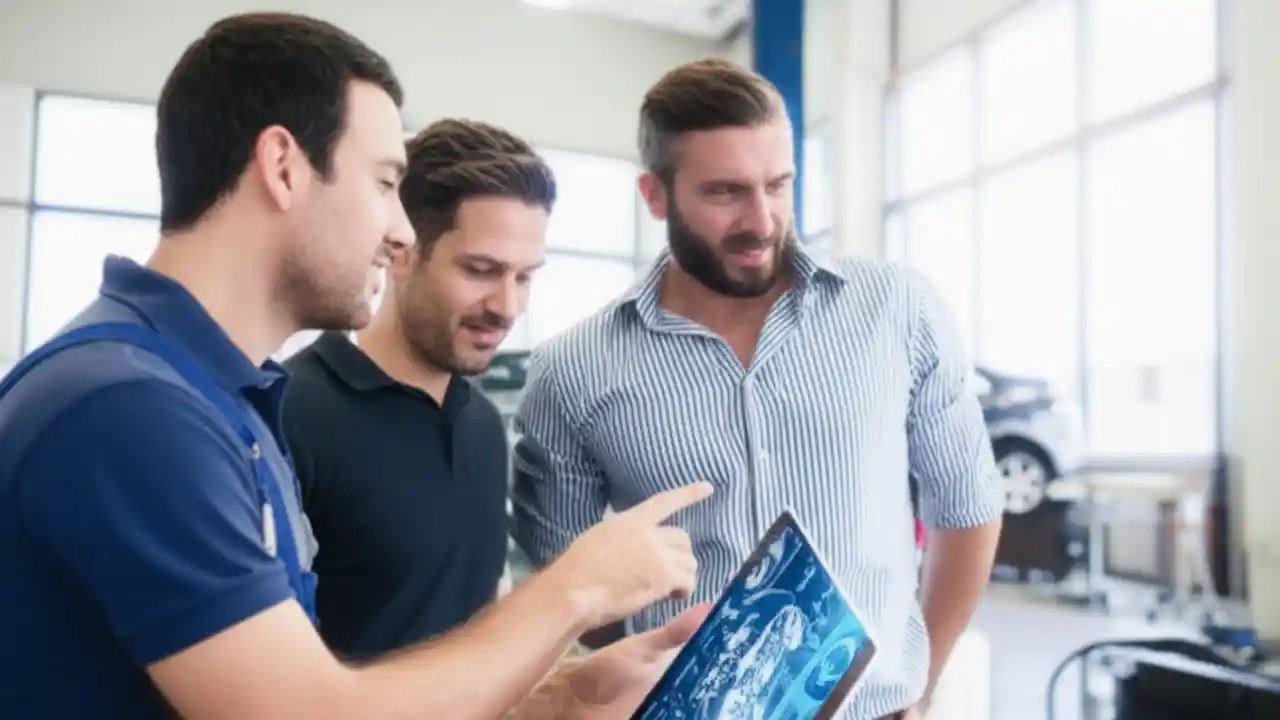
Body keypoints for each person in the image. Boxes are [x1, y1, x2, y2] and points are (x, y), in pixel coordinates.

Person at [0, 13, 712, 719]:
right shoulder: (129, 410)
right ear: (283, 168)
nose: (398, 231)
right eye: (382, 184)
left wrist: (562, 694)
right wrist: (576, 589)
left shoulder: (223, 402)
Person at [511, 58, 1005, 720]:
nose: (762, 219)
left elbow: (968, 506)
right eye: (725, 192)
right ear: (655, 196)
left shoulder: (899, 313)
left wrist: (920, 688)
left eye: (779, 184)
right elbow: (559, 583)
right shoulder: (573, 371)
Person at [281, 118, 552, 659]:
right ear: (401, 250)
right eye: (480, 270)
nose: (507, 307)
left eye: (523, 277)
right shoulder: (288, 412)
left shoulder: (479, 424)